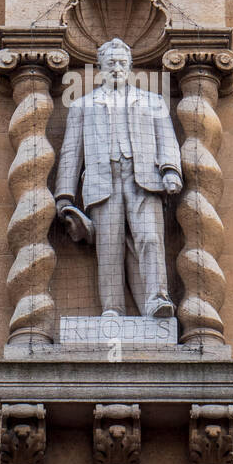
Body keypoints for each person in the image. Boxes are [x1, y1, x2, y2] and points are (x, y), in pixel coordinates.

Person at [55, 37, 183, 318]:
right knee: (109, 247)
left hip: (144, 180)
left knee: (150, 238)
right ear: (100, 67)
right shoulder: (83, 105)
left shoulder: (153, 101)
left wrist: (171, 170)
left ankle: (157, 299)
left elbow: (167, 140)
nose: (117, 68)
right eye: (111, 63)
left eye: (122, 63)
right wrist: (64, 196)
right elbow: (70, 152)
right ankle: (112, 308)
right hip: (103, 182)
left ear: (130, 66)